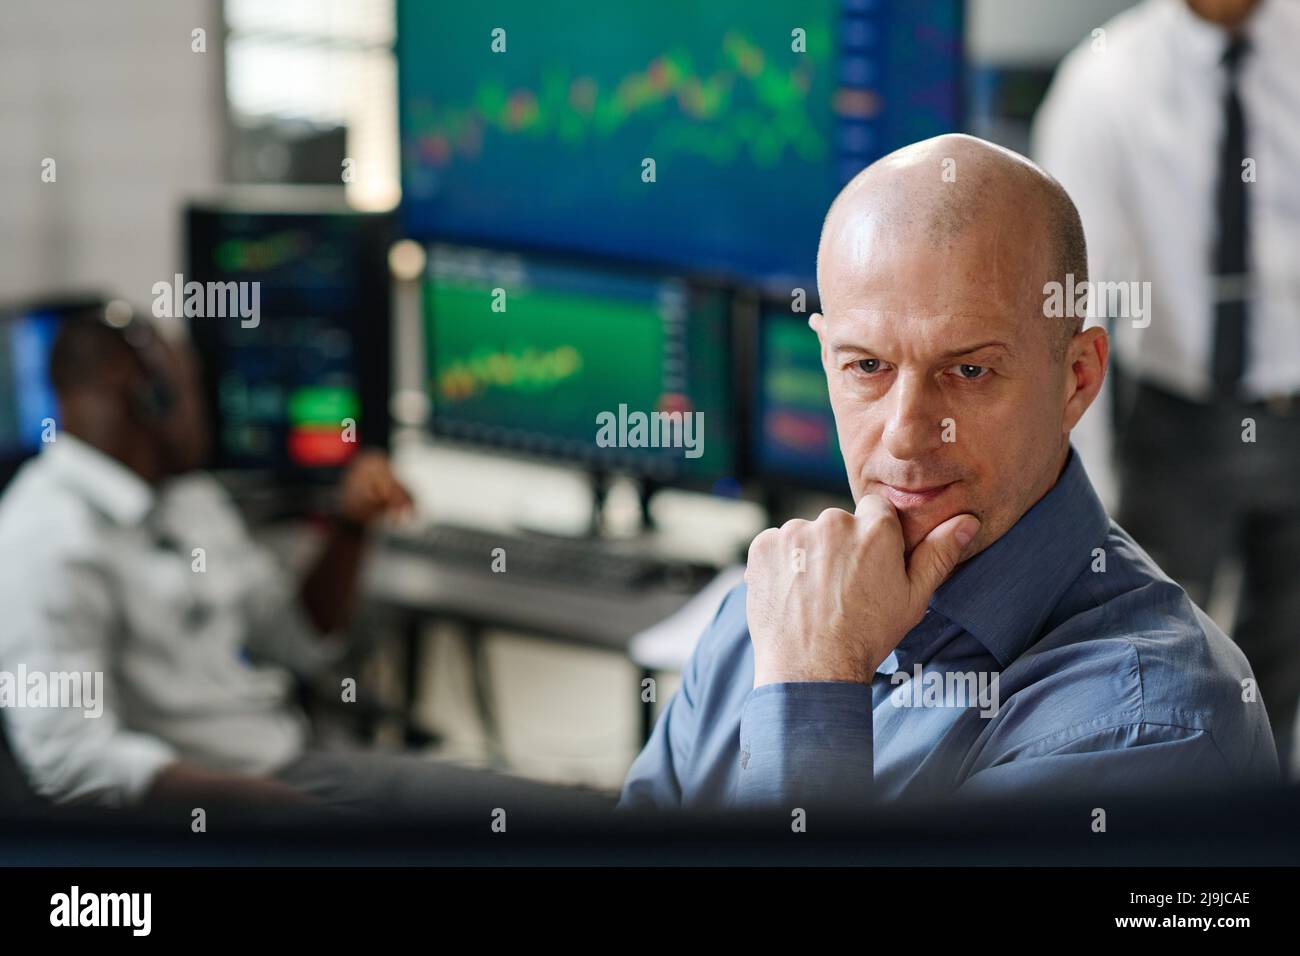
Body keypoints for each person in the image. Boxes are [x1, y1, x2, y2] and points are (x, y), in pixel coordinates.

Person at [619, 133, 1278, 811]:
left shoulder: (1151, 730)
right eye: (867, 366)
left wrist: (813, 689)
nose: (906, 433)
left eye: (968, 370)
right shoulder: (766, 615)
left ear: (1077, 379)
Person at [0, 308, 579, 817]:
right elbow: (69, 763)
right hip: (210, 813)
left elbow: (298, 639)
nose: (205, 412)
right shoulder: (47, 541)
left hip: (297, 768)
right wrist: (273, 815)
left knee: (562, 816)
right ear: (147, 399)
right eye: (192, 389)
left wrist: (350, 525)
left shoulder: (188, 498)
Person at [1032, 0, 1300, 771]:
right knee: (1153, 670)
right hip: (1175, 424)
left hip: (1294, 411)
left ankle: (1256, 815)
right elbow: (1069, 305)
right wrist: (1072, 490)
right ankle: (1163, 818)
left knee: (1282, 665)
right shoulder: (1105, 79)